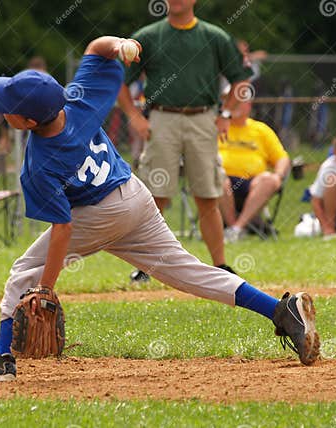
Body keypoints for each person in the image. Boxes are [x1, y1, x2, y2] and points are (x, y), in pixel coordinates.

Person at [0, 36, 319, 382]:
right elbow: (94, 48)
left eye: (7, 108)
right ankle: (280, 309)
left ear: (29, 122)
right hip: (135, 196)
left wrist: (45, 287)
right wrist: (120, 44)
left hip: (100, 212)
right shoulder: (77, 100)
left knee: (24, 270)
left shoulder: (39, 164)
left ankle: (3, 358)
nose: (1, 110)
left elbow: (64, 229)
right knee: (188, 271)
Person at [118, 0, 253, 281]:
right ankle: (145, 266)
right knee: (156, 195)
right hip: (161, 117)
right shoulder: (148, 36)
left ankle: (220, 265)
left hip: (203, 118)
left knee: (207, 195)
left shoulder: (214, 36)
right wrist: (134, 115)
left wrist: (226, 114)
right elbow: (119, 79)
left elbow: (240, 78)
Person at [218, 90, 291, 242]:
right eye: (229, 101)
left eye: (239, 101)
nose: (233, 105)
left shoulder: (261, 130)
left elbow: (282, 158)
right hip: (221, 180)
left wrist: (278, 174)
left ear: (249, 105)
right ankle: (231, 227)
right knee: (216, 176)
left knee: (270, 179)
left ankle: (237, 229)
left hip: (254, 183)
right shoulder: (217, 127)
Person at [310, 134, 336, 240]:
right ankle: (331, 229)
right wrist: (326, 227)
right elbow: (315, 201)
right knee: (332, 183)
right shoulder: (329, 167)